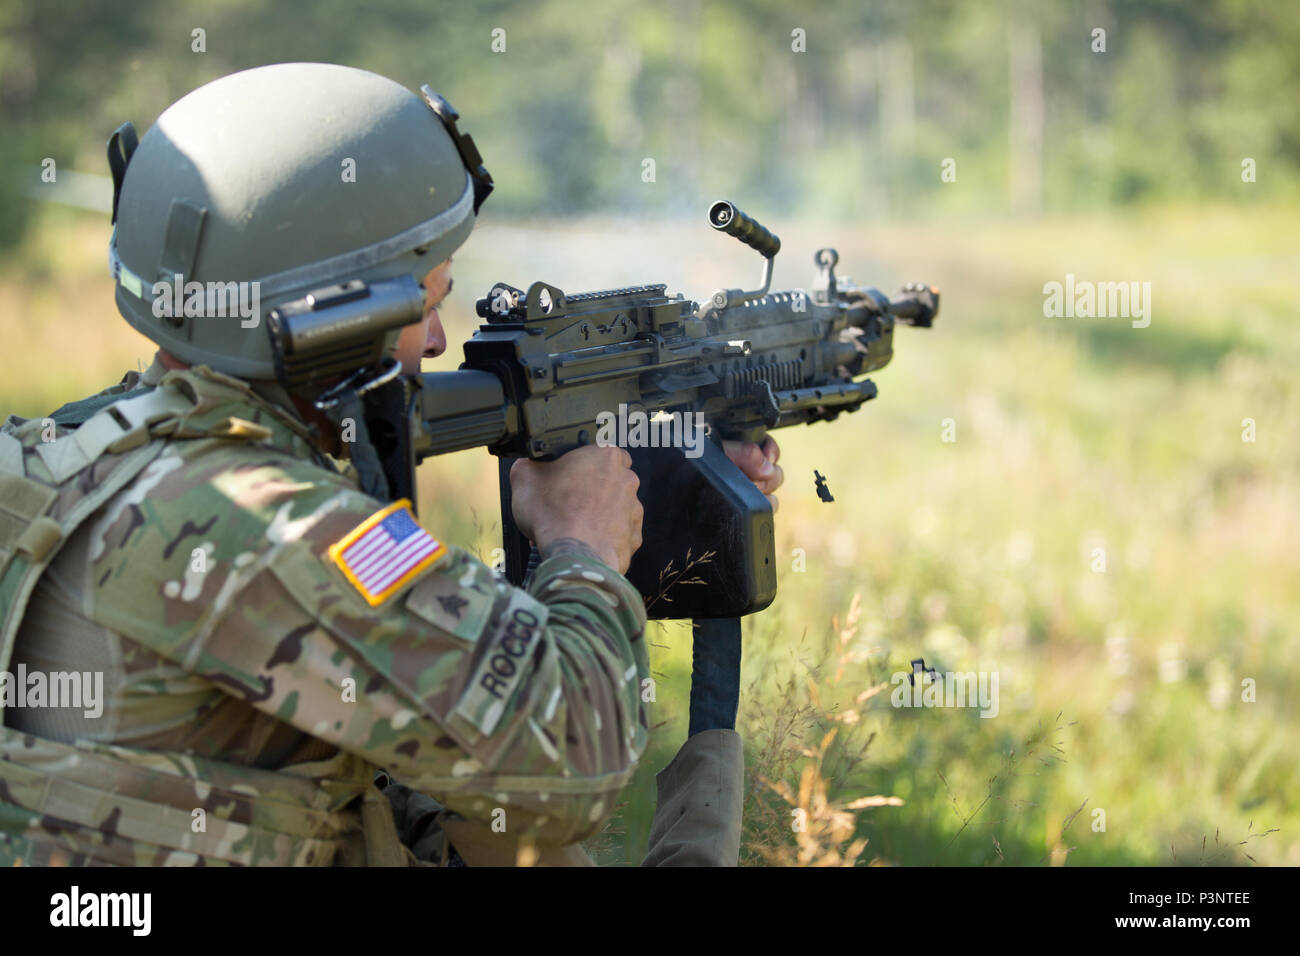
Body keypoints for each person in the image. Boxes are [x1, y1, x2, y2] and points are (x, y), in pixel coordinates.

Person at [0, 62, 782, 866]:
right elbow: (565, 770)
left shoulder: (68, 450)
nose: (440, 342)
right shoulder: (271, 523)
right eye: (427, 302)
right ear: (338, 321)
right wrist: (582, 548)